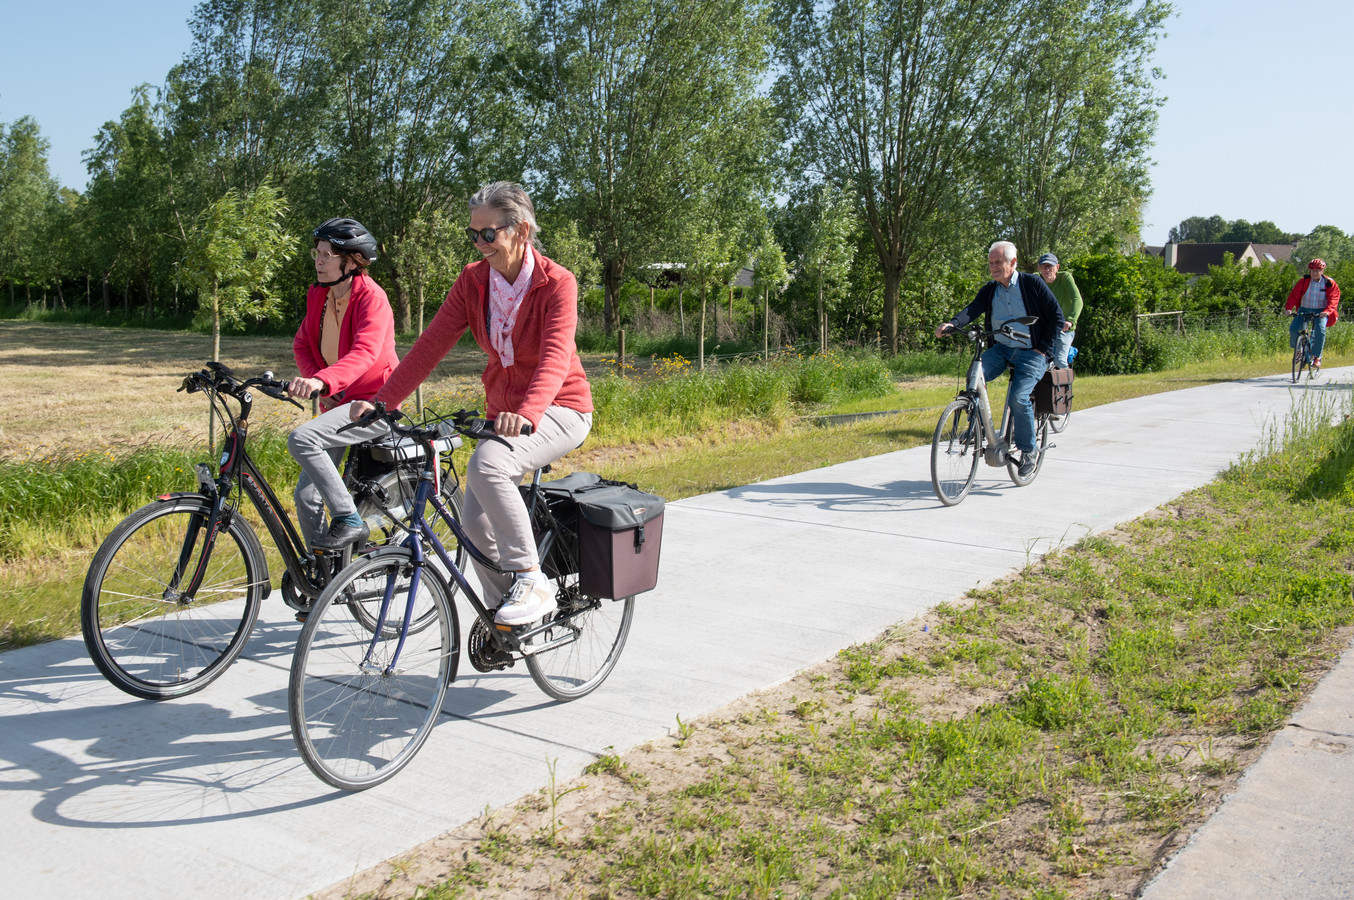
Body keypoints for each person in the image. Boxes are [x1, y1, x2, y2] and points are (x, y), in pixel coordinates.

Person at [350, 182, 594, 627]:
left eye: (488, 233)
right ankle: (507, 621)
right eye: (473, 234)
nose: (480, 243)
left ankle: (532, 580)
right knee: (473, 523)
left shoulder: (556, 282)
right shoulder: (474, 280)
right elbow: (431, 345)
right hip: (503, 417)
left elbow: (556, 357)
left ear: (521, 231)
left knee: (486, 466)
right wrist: (382, 402)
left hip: (559, 408)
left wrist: (528, 413)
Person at [287, 218, 399, 550]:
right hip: (340, 402)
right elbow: (302, 344)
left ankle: (349, 518)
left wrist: (322, 381)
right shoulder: (319, 296)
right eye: (317, 253)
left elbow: (365, 352)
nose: (319, 261)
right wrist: (323, 386)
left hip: (372, 404)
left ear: (351, 262)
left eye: (327, 255)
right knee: (305, 496)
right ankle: (323, 571)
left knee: (302, 439)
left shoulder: (372, 298)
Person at [934, 241, 1064, 477]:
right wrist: (953, 323)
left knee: (1018, 398)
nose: (993, 267)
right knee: (974, 377)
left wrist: (1042, 349)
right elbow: (973, 309)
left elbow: (1057, 317)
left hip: (1033, 351)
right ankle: (977, 427)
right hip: (1002, 349)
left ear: (1013, 262)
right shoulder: (990, 289)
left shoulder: (1032, 283)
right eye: (990, 262)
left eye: (998, 262)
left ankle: (1028, 451)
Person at [1284, 258, 1341, 369]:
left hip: (1321, 311)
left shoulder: (1329, 283)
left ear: (1322, 271)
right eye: (1312, 270)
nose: (1314, 273)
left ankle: (1316, 357)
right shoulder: (1304, 281)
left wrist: (1327, 311)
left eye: (1317, 270)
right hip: (1304, 309)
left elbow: (1334, 298)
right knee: (1293, 329)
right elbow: (1294, 295)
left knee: (1321, 331)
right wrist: (1288, 309)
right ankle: (1298, 350)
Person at [1036, 252, 1082, 368]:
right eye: (1043, 267)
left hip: (1063, 328)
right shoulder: (1037, 279)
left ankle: (1067, 380)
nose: (1047, 270)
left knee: (1060, 361)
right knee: (1038, 361)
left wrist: (1070, 320)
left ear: (1057, 267)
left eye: (1050, 266)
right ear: (1039, 268)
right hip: (1046, 329)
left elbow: (1077, 300)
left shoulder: (1064, 278)